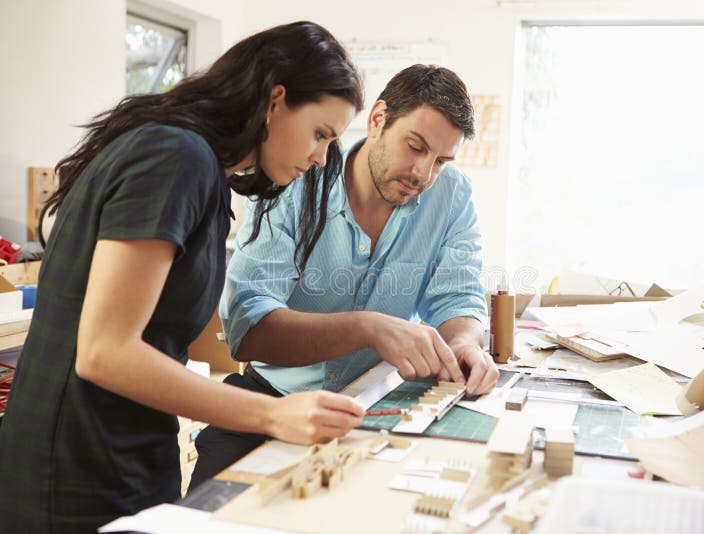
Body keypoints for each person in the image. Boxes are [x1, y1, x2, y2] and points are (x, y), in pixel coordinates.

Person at [0, 21, 367, 533]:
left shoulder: (195, 164)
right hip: (77, 473)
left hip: (122, 452)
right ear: (276, 99)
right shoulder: (177, 157)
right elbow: (105, 351)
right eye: (320, 134)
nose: (322, 158)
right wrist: (269, 415)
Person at [190, 64, 499, 488]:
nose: (423, 175)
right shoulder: (294, 177)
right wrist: (367, 328)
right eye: (415, 147)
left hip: (377, 406)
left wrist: (463, 342)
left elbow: (457, 297)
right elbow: (249, 328)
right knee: (209, 509)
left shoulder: (452, 194)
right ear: (377, 119)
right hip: (275, 400)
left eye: (441, 161)